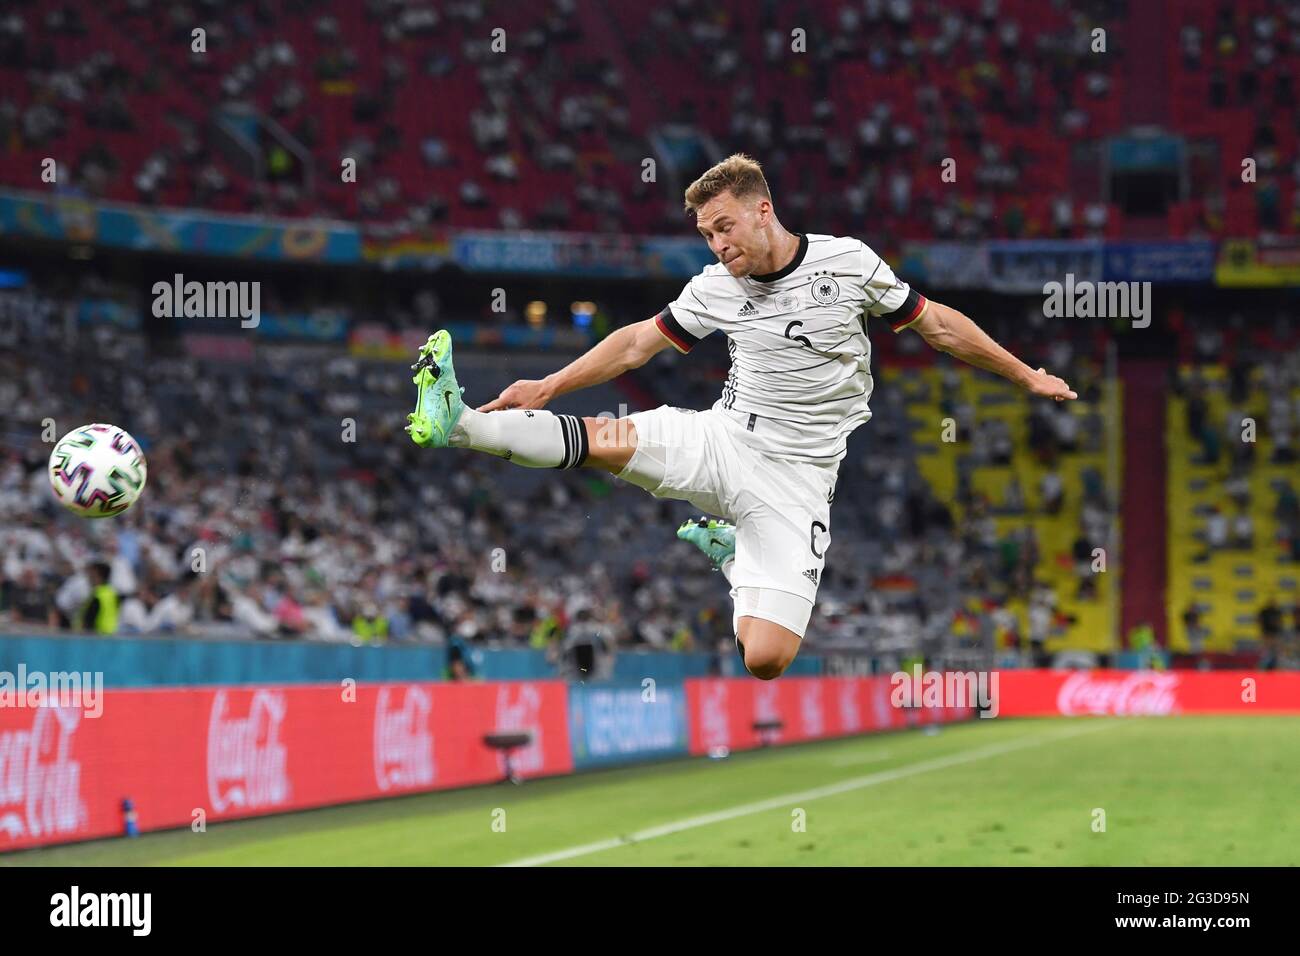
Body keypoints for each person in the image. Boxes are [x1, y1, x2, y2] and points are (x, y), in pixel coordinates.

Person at [404, 154, 1076, 680]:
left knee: (765, 659)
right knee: (607, 440)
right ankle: (456, 419)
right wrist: (551, 383)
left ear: (763, 211)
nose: (717, 244)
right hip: (725, 438)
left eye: (724, 227)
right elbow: (638, 342)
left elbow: (939, 327)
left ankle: (735, 561)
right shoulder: (713, 289)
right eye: (705, 234)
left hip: (800, 477)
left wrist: (1023, 373)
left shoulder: (848, 263)